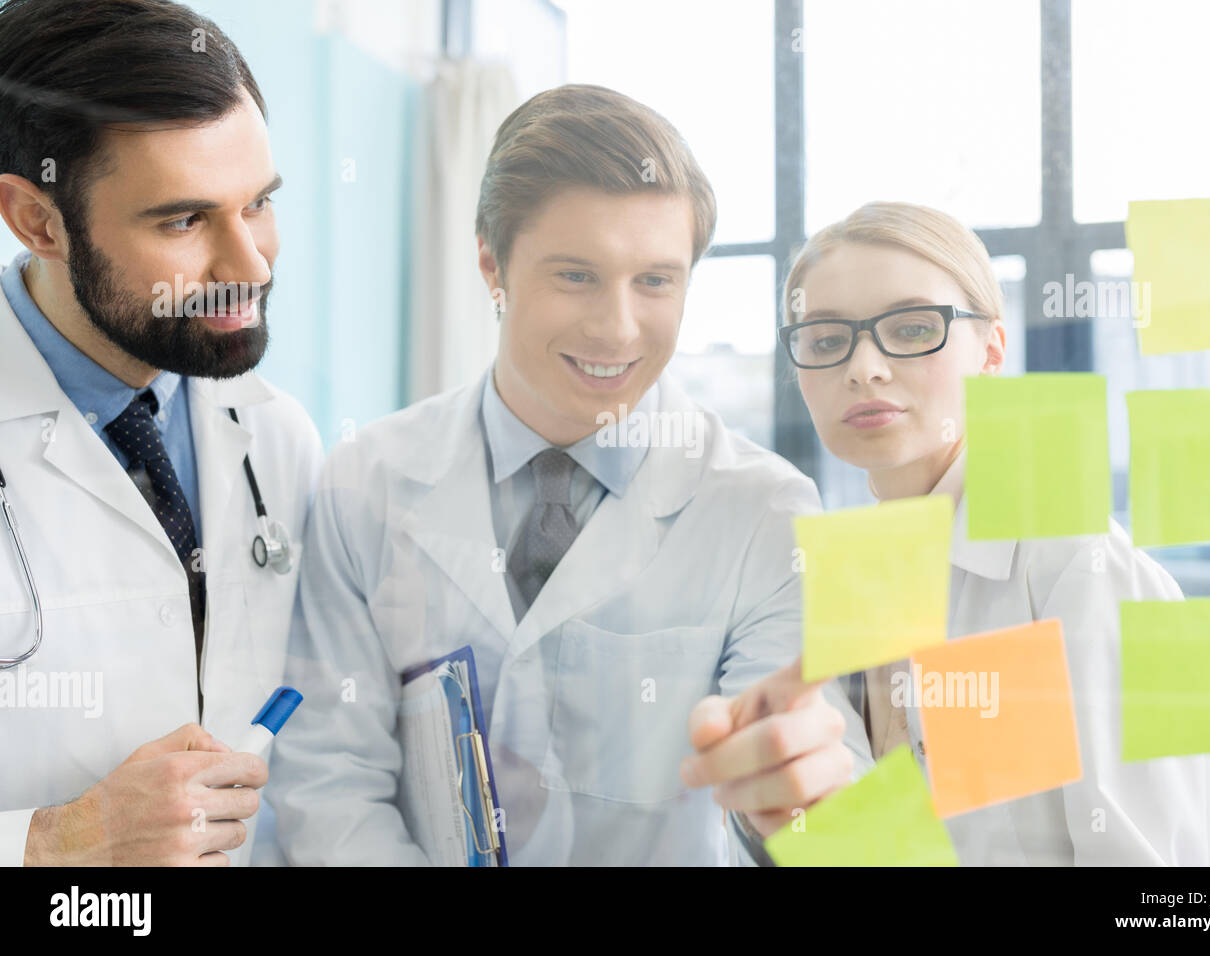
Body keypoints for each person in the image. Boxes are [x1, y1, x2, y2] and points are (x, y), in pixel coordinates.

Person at [269, 83, 871, 866]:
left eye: (655, 280)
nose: (617, 328)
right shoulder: (367, 483)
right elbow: (332, 783)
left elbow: (790, 773)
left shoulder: (765, 513)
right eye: (576, 276)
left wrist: (786, 791)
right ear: (492, 262)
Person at [779, 200, 1208, 865]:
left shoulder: (1078, 569)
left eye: (914, 327)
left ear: (992, 353)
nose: (864, 367)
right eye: (828, 340)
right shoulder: (847, 580)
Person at [0, 0, 322, 866]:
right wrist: (52, 842)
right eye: (184, 221)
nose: (251, 265)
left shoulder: (278, 439)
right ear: (38, 221)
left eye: (258, 203)